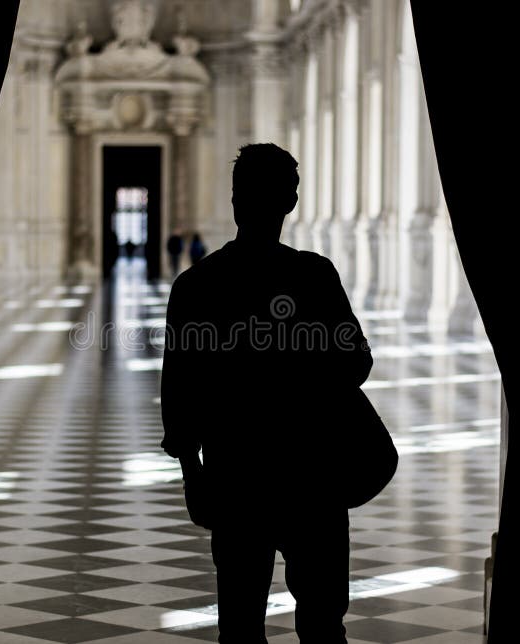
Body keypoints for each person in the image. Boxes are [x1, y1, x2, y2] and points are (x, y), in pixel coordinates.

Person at [160, 143, 373, 643]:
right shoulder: (314, 277)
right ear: (291, 202)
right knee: (323, 623)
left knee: (239, 626)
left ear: (235, 201)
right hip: (313, 475)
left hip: (236, 476)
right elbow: (358, 362)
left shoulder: (196, 285)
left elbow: (178, 390)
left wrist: (193, 473)